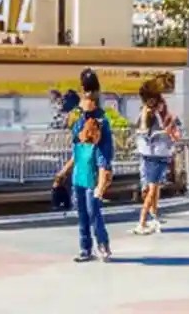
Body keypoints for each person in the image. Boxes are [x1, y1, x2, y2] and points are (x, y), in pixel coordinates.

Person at [54, 110, 112, 262]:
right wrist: (61, 174)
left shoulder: (97, 149)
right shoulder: (79, 147)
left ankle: (103, 245)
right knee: (82, 217)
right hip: (78, 183)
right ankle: (85, 248)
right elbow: (73, 161)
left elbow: (102, 168)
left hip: (91, 185)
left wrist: (100, 187)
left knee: (94, 214)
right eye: (95, 131)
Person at [132, 91, 179, 235]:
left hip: (161, 156)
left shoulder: (166, 117)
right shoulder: (147, 116)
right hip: (150, 156)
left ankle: (151, 217)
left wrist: (169, 131)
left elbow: (175, 136)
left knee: (155, 189)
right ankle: (143, 220)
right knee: (150, 190)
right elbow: (143, 131)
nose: (159, 106)